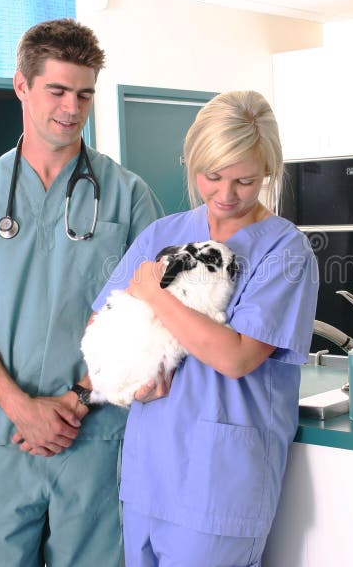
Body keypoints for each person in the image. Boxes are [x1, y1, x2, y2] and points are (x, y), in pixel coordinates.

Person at [0, 18, 163, 566]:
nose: (71, 107)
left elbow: (151, 322)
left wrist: (75, 401)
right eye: (57, 90)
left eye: (84, 94)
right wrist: (21, 407)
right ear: (21, 86)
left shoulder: (128, 197)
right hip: (3, 437)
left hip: (96, 436)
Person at [89, 90, 319, 566]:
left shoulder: (286, 251)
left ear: (268, 173)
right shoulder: (161, 234)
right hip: (149, 470)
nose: (226, 195)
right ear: (192, 163)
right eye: (212, 176)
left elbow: (234, 356)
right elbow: (104, 324)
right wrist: (132, 381)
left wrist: (154, 295)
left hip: (221, 481)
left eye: (245, 181)